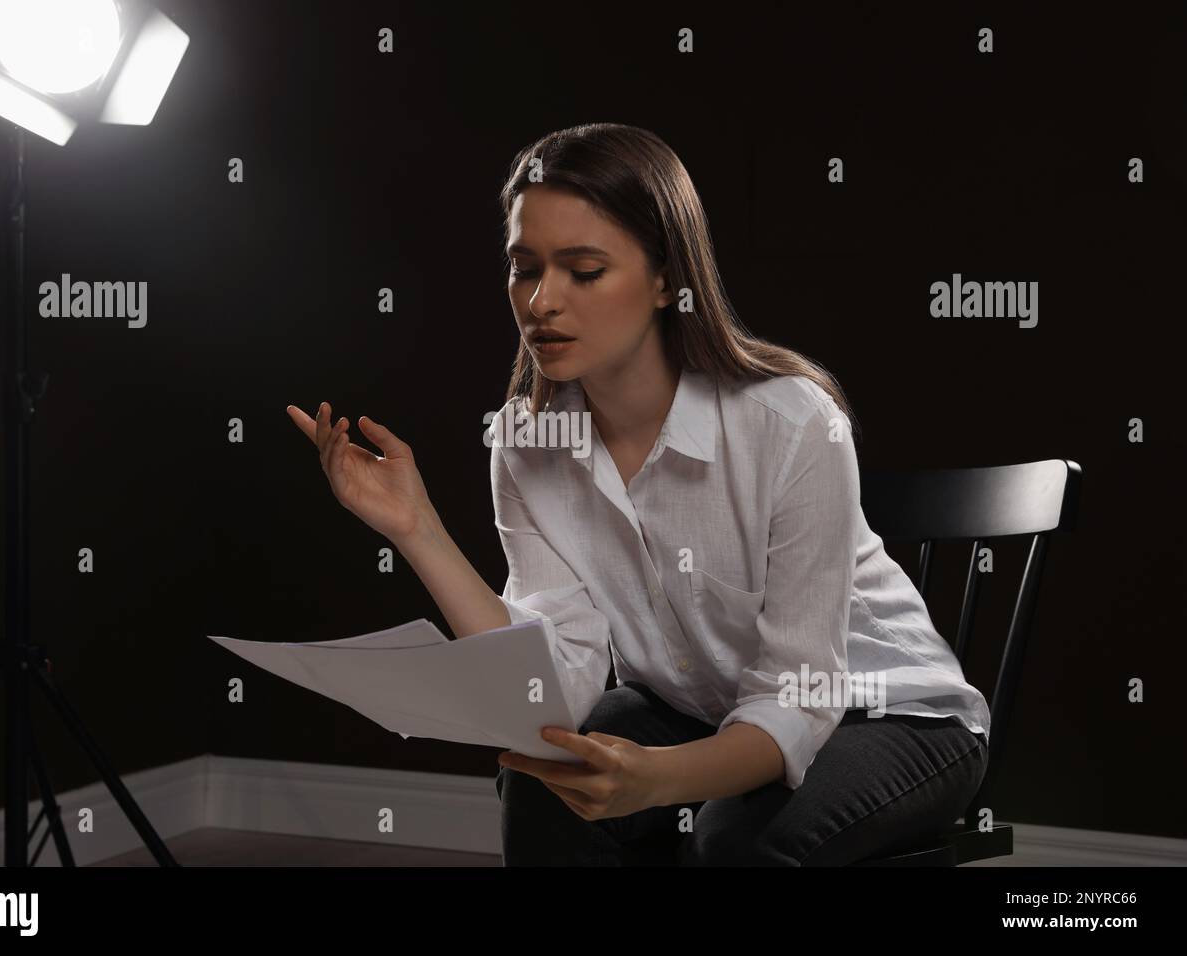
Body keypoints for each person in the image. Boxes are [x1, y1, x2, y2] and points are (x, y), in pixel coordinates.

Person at [285, 122, 990, 866]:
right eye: (524, 268)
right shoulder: (528, 446)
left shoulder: (791, 423)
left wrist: (657, 780)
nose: (541, 302)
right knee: (544, 779)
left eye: (583, 271)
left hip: (889, 714)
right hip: (705, 714)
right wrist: (416, 528)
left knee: (731, 836)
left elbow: (798, 696)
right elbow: (553, 682)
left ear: (664, 279)